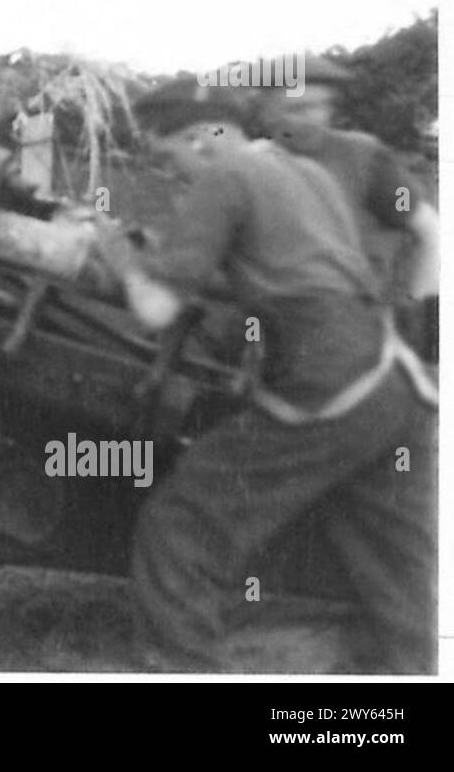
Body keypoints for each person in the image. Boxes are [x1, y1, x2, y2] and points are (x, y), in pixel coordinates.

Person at [100, 78, 436, 673]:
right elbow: (296, 269)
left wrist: (119, 254)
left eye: (168, 153)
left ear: (203, 138)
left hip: (329, 380)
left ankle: (181, 665)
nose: (172, 171)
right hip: (392, 378)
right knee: (390, 552)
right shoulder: (303, 171)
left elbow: (155, 310)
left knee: (185, 519)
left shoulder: (223, 179)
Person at [248, 55, 438, 358]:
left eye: (320, 106)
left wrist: (418, 313)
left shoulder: (363, 158)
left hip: (355, 326)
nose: (313, 118)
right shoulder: (249, 164)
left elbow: (430, 230)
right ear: (267, 113)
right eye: (296, 109)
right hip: (266, 324)